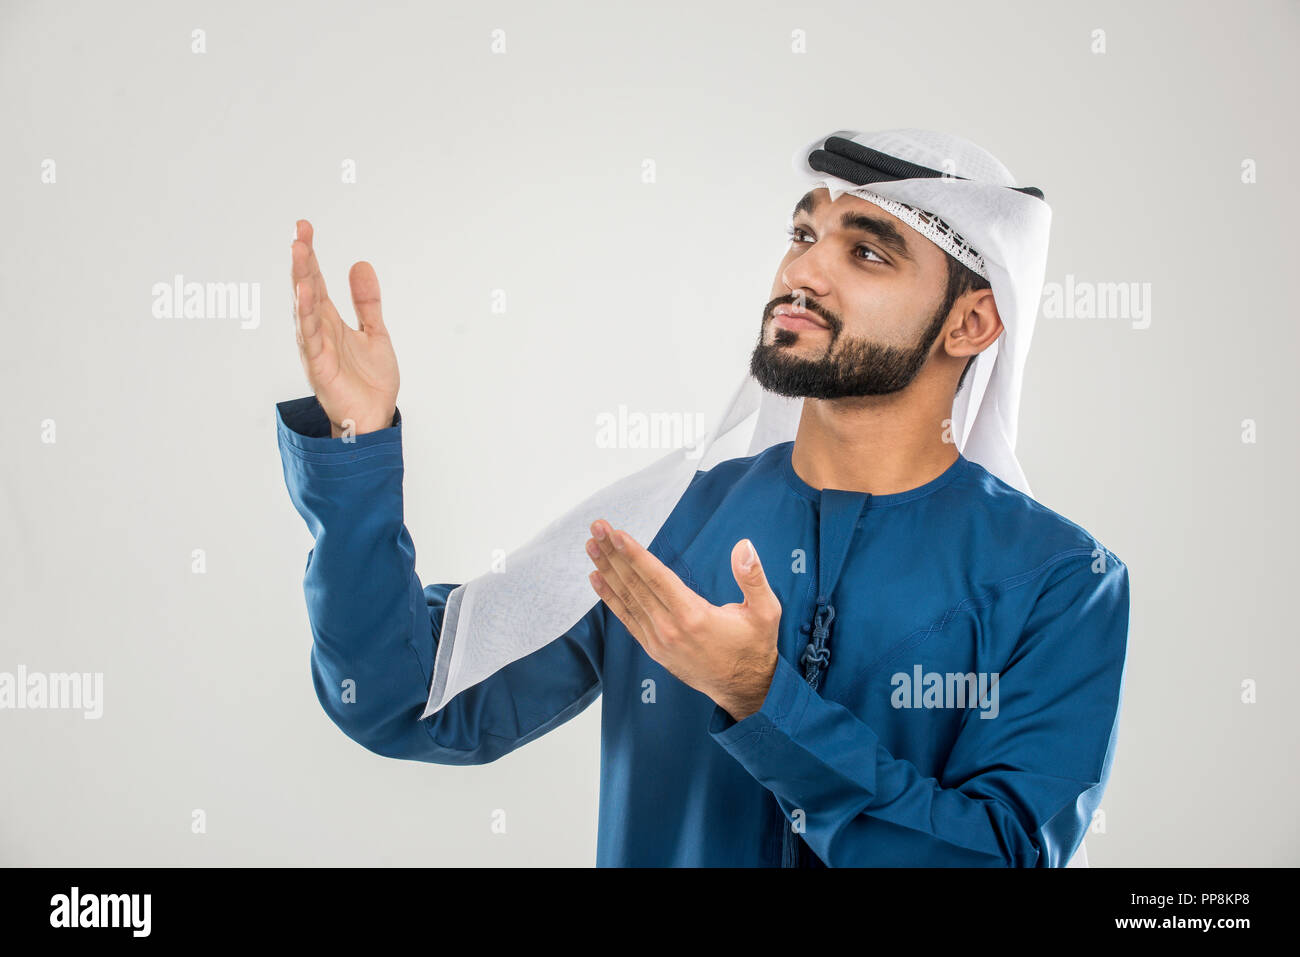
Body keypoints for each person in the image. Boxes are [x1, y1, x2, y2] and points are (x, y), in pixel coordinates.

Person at [276, 131, 1130, 867]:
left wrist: (765, 699)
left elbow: (999, 854)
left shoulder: (1057, 582)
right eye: (803, 233)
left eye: (865, 252)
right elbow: (402, 700)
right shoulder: (670, 525)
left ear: (972, 323)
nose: (805, 272)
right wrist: (357, 446)